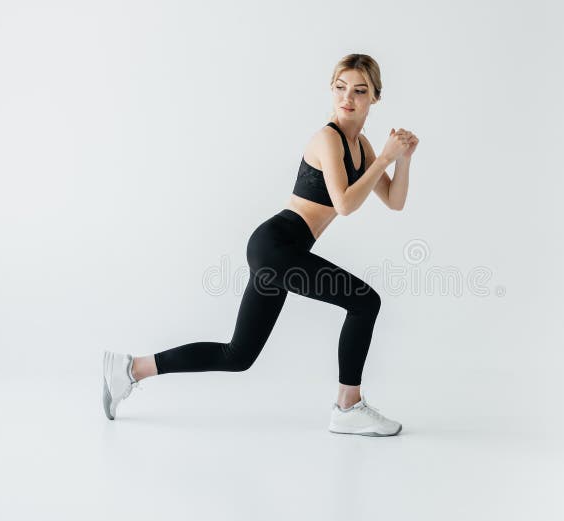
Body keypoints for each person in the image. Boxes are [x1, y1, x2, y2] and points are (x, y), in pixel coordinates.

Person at [102, 53, 419, 437]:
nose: (347, 98)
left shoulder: (362, 146)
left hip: (284, 250)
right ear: (331, 90)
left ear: (374, 98)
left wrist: (401, 161)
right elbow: (345, 204)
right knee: (364, 301)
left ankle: (129, 369)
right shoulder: (328, 138)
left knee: (237, 355)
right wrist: (384, 157)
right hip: (277, 244)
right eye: (340, 88)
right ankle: (348, 406)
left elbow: (394, 201)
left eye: (359, 91)